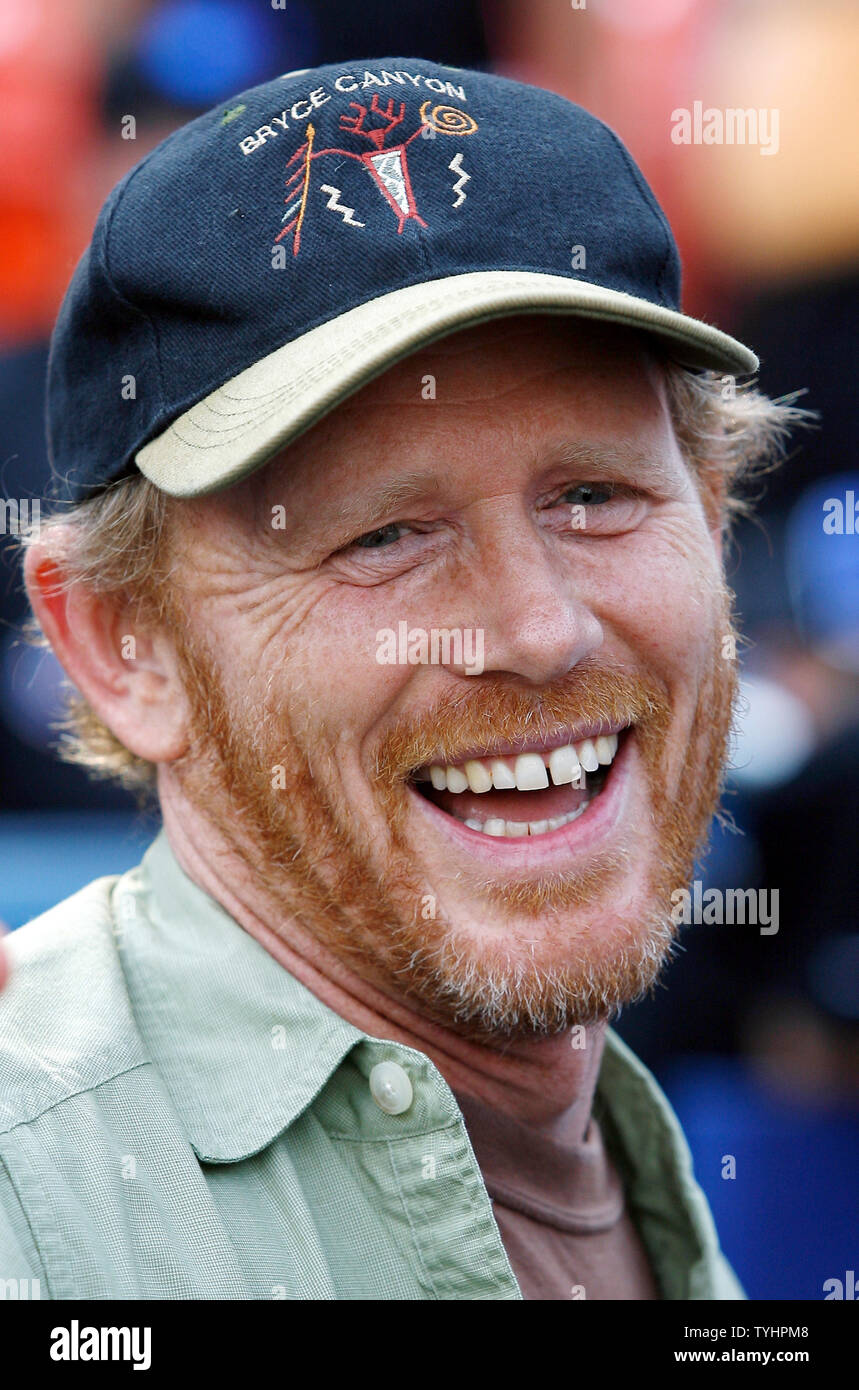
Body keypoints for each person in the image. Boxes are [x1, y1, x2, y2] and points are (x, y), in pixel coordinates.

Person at [0, 58, 802, 1300]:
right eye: (383, 536)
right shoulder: (31, 1181)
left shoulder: (620, 1169)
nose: (538, 632)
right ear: (121, 644)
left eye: (594, 495)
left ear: (709, 516)